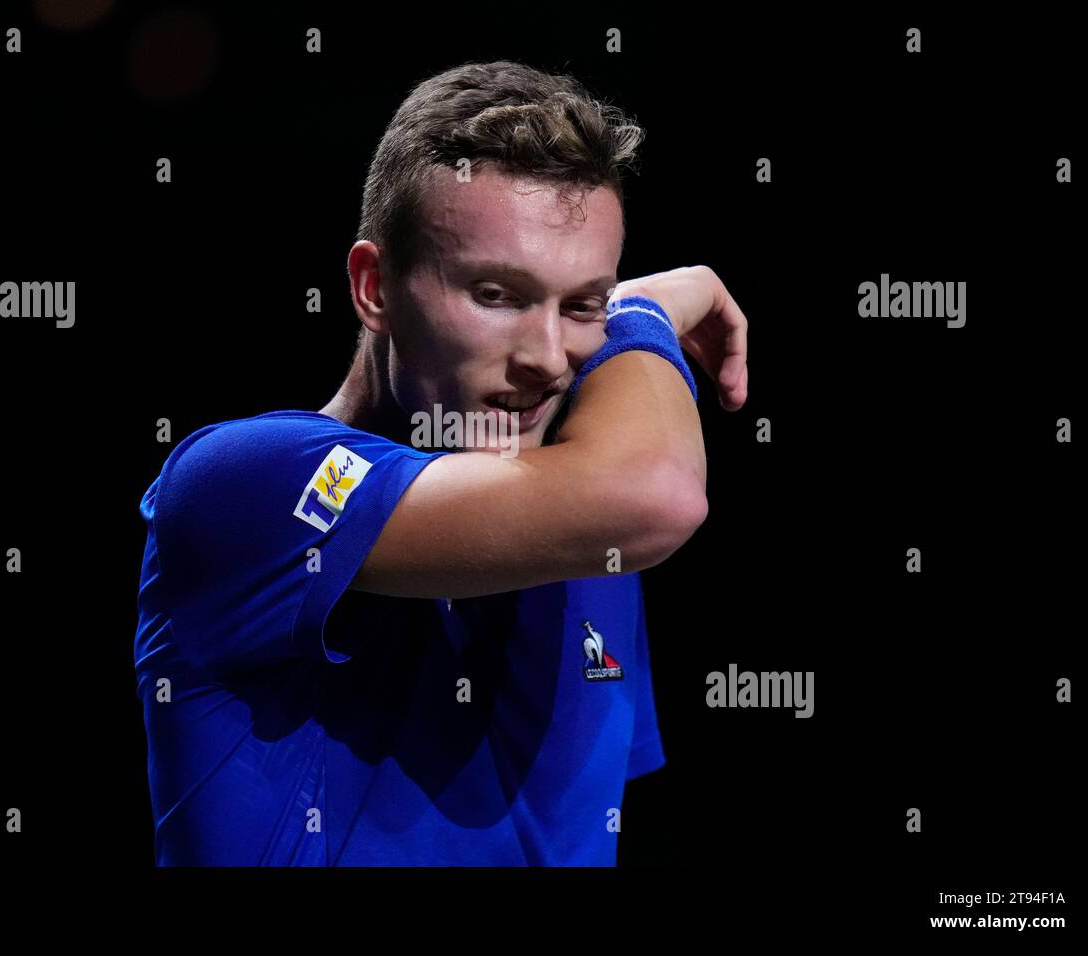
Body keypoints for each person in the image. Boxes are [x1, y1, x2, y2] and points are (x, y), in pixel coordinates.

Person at [133, 60, 749, 865]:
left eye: (584, 303)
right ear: (374, 286)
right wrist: (646, 311)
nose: (548, 358)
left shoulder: (585, 513)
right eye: (496, 295)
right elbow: (660, 494)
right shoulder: (241, 483)